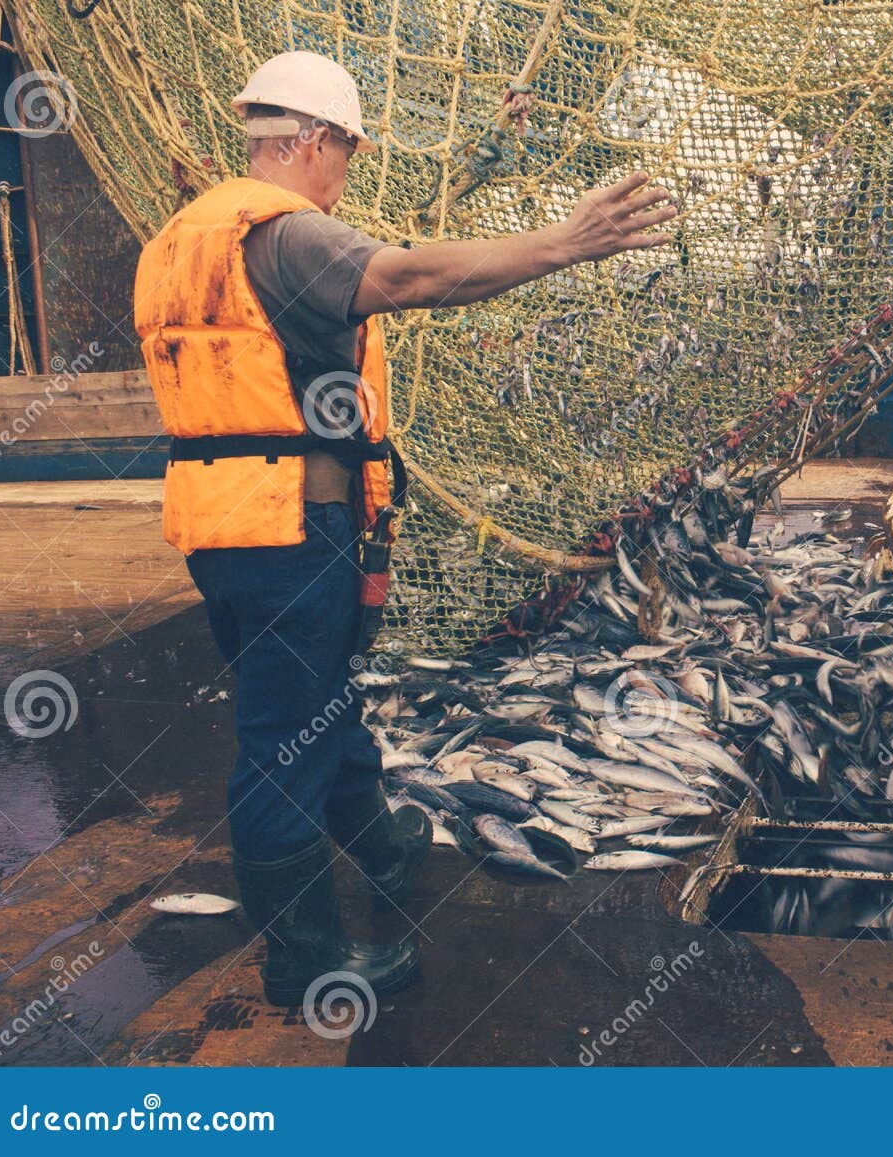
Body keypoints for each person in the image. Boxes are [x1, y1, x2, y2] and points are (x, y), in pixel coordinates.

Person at [133, 51, 675, 1007]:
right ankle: (305, 961)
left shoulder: (183, 236)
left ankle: (382, 845)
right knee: (280, 737)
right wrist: (565, 242)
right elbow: (415, 276)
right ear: (308, 140)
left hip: (222, 527)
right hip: (290, 528)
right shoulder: (290, 237)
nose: (344, 168)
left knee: (312, 700)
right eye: (344, 146)